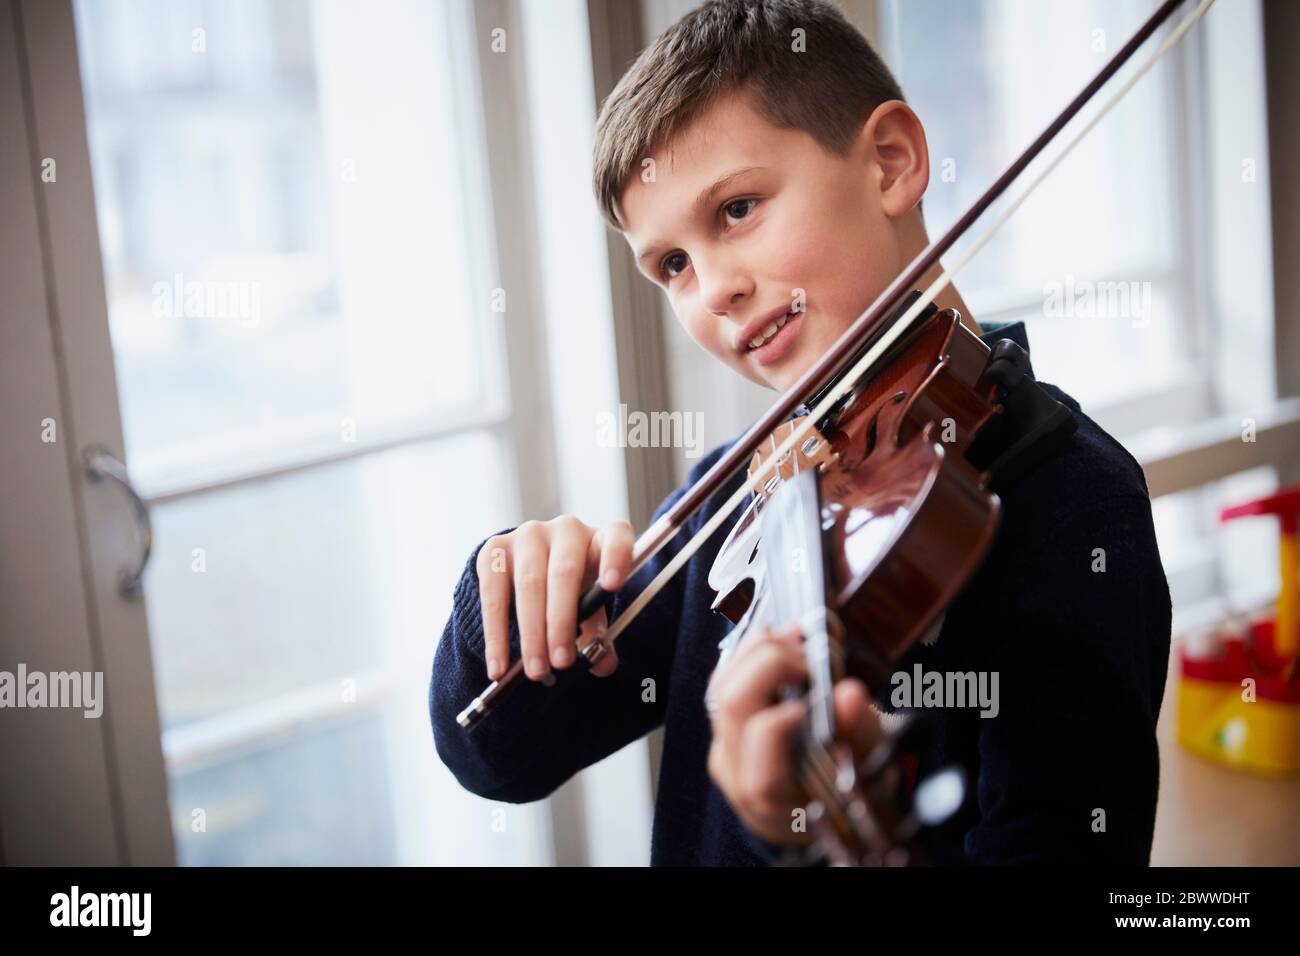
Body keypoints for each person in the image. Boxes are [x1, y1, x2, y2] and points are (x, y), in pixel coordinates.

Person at [429, 0, 1171, 865]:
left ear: (891, 163)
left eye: (737, 209)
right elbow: (502, 758)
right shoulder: (754, 485)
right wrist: (506, 602)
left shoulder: (1072, 503)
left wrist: (809, 833)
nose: (712, 290)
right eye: (671, 264)